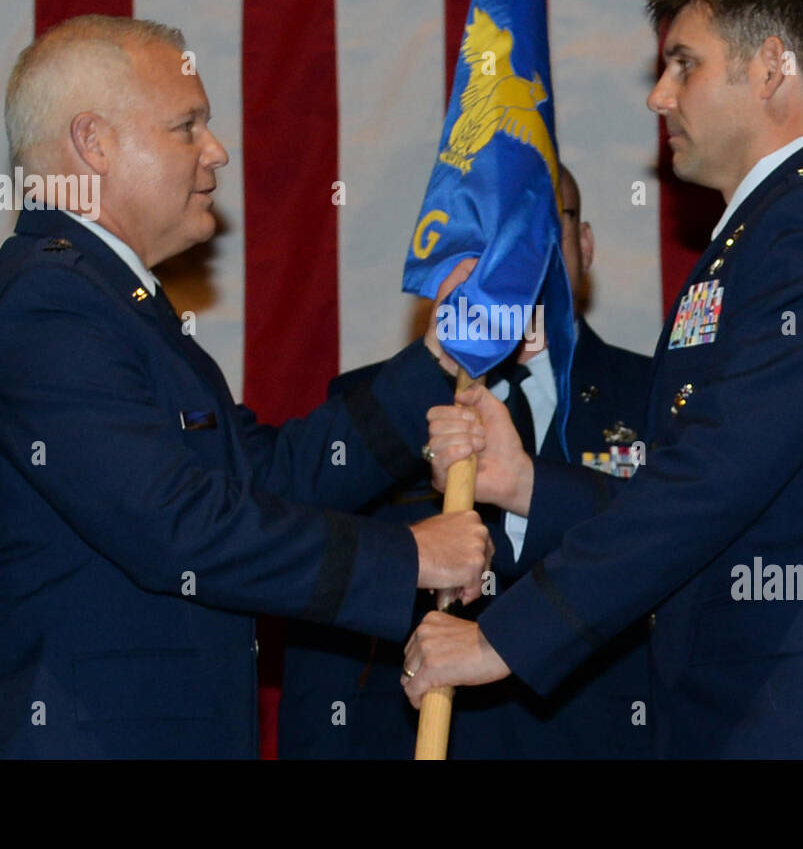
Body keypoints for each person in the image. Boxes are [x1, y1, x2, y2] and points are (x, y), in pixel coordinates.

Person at [403, 0, 803, 758]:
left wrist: (505, 638)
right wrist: (530, 484)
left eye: (685, 64)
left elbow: (720, 475)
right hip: (752, 708)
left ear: (772, 67)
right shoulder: (770, 231)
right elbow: (734, 496)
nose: (659, 95)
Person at [0, 15, 491, 759]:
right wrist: (409, 557)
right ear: (93, 143)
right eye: (186, 126)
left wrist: (437, 358)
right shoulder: (51, 304)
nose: (216, 152)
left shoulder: (113, 302)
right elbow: (175, 525)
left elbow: (269, 478)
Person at [279, 167, 653, 759]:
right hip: (423, 738)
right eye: (495, 226)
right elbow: (317, 594)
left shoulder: (657, 396)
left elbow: (676, 569)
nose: (518, 245)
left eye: (543, 220)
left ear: (584, 245)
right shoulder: (378, 408)